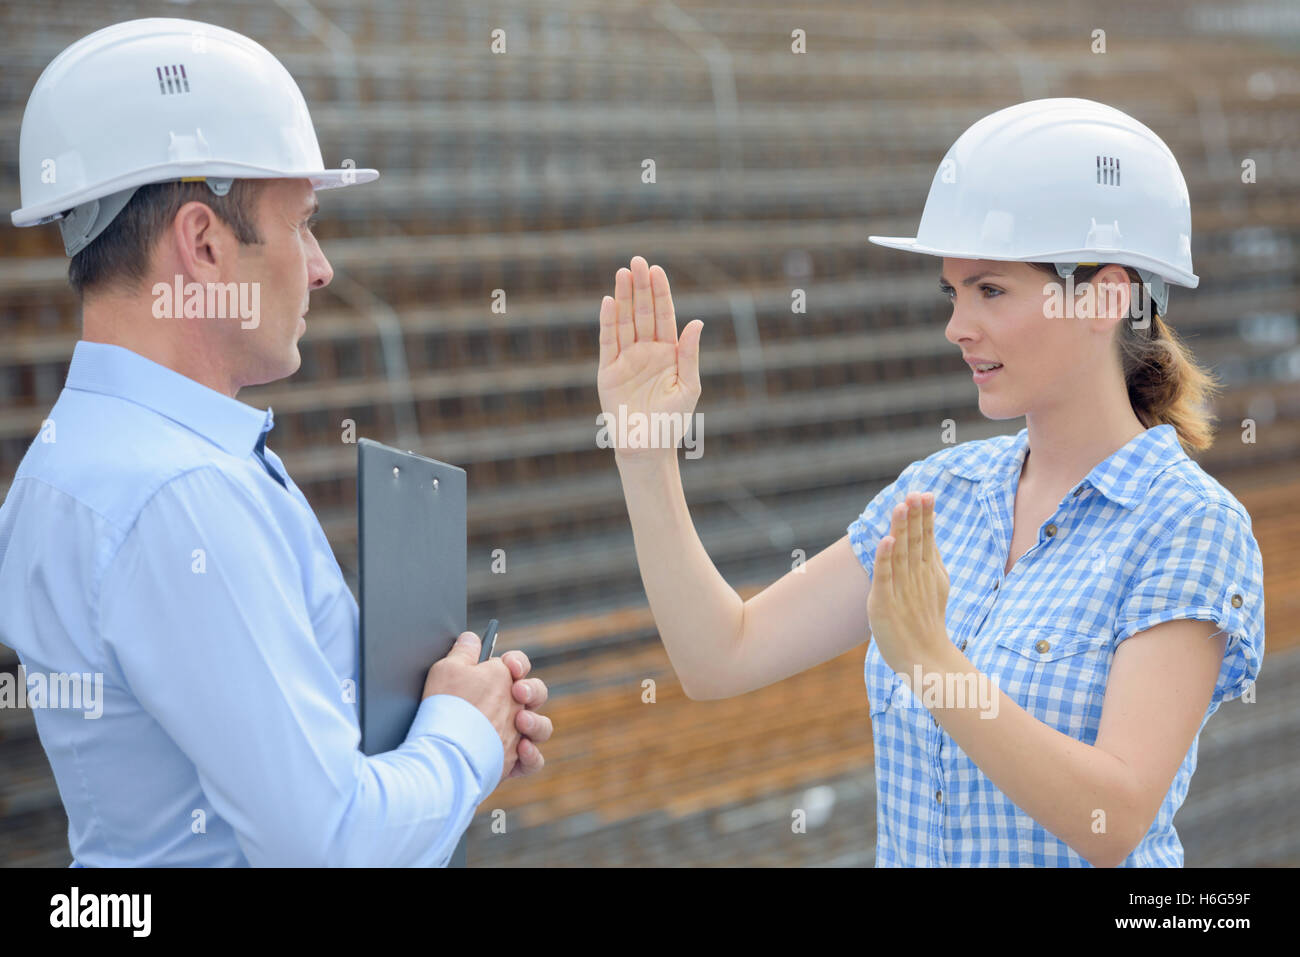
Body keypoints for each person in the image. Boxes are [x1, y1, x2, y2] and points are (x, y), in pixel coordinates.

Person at [596, 98, 1265, 866]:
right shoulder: (942, 494)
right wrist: (645, 457)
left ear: (1107, 296)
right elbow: (721, 656)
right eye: (953, 293)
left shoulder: (1187, 524)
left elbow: (1111, 817)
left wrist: (937, 665)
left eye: (991, 290)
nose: (957, 325)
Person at [0, 18, 551, 867]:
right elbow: (327, 844)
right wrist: (462, 740)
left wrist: (444, 735)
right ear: (205, 244)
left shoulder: (65, 462)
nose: (321, 267)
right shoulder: (183, 494)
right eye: (301, 223)